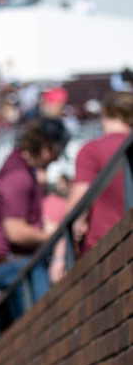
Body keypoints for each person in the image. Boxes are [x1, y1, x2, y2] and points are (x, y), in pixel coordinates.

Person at [0, 118, 68, 321]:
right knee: (47, 324)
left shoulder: (15, 167)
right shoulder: (19, 175)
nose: (56, 159)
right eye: (57, 151)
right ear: (46, 148)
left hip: (12, 265)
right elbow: (16, 231)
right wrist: (54, 236)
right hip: (17, 265)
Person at [49, 91, 133, 282]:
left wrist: (60, 255)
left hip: (106, 250)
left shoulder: (92, 150)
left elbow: (77, 203)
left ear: (105, 113)